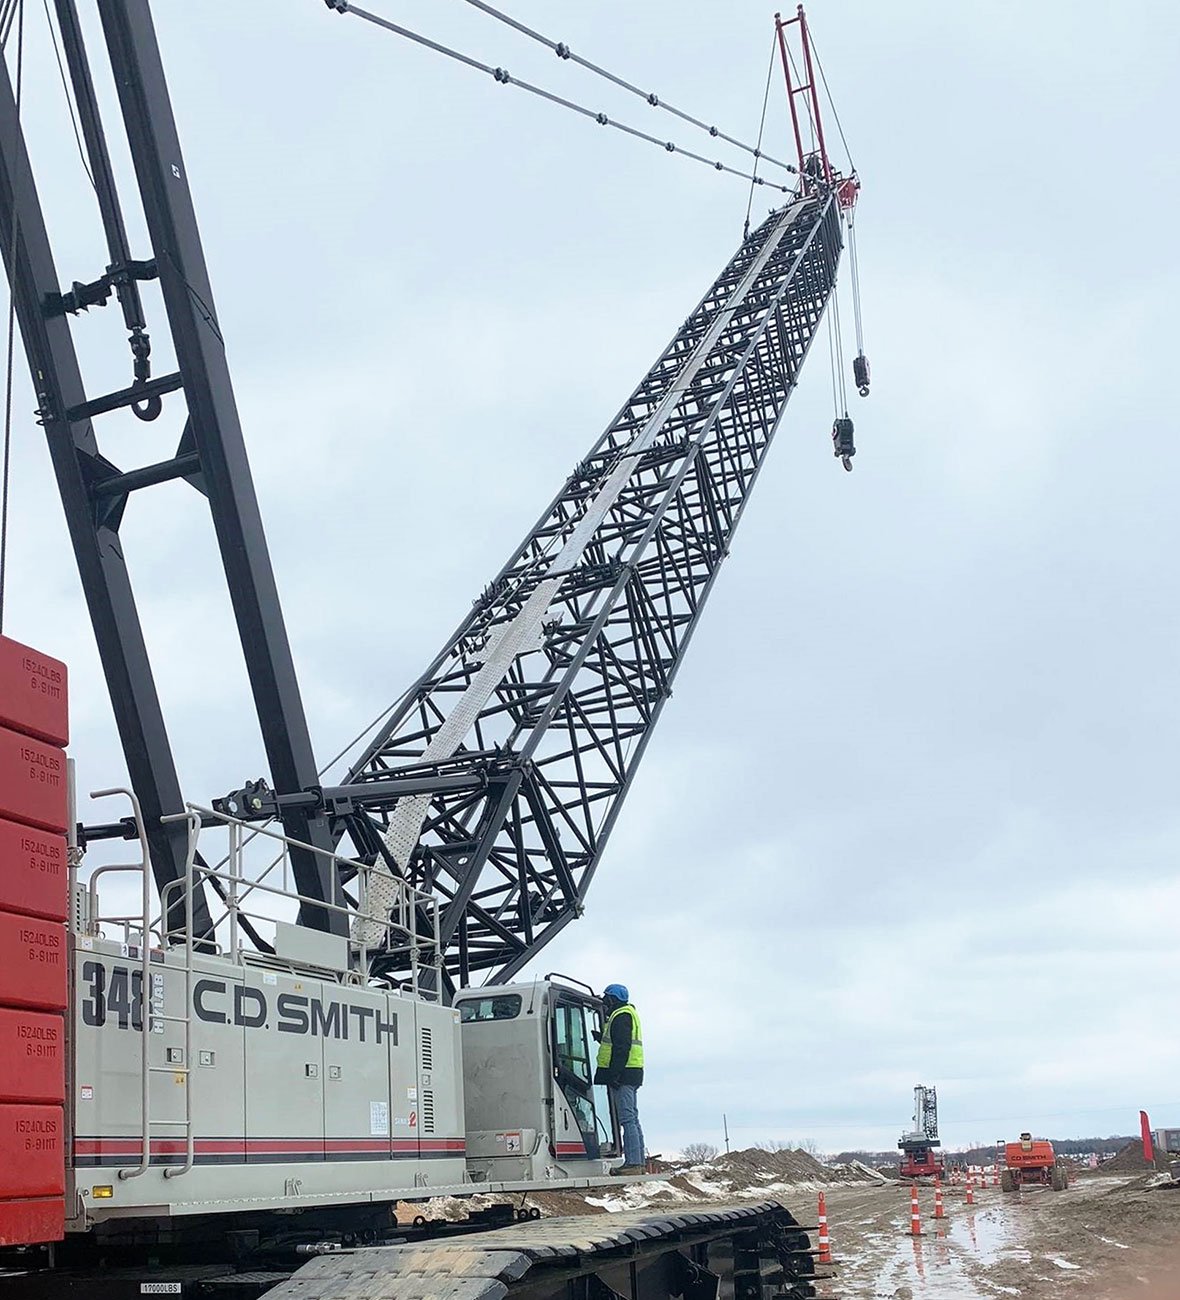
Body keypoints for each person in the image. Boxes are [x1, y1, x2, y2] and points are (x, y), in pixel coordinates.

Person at [594, 982, 645, 1174]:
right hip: (632, 1072)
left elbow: (622, 1048)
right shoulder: (626, 1014)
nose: (605, 1001)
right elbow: (619, 1043)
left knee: (627, 1118)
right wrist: (602, 1038)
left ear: (613, 999)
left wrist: (614, 1073)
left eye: (606, 997)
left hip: (624, 1074)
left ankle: (633, 1163)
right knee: (632, 1117)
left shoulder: (621, 1015)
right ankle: (637, 1161)